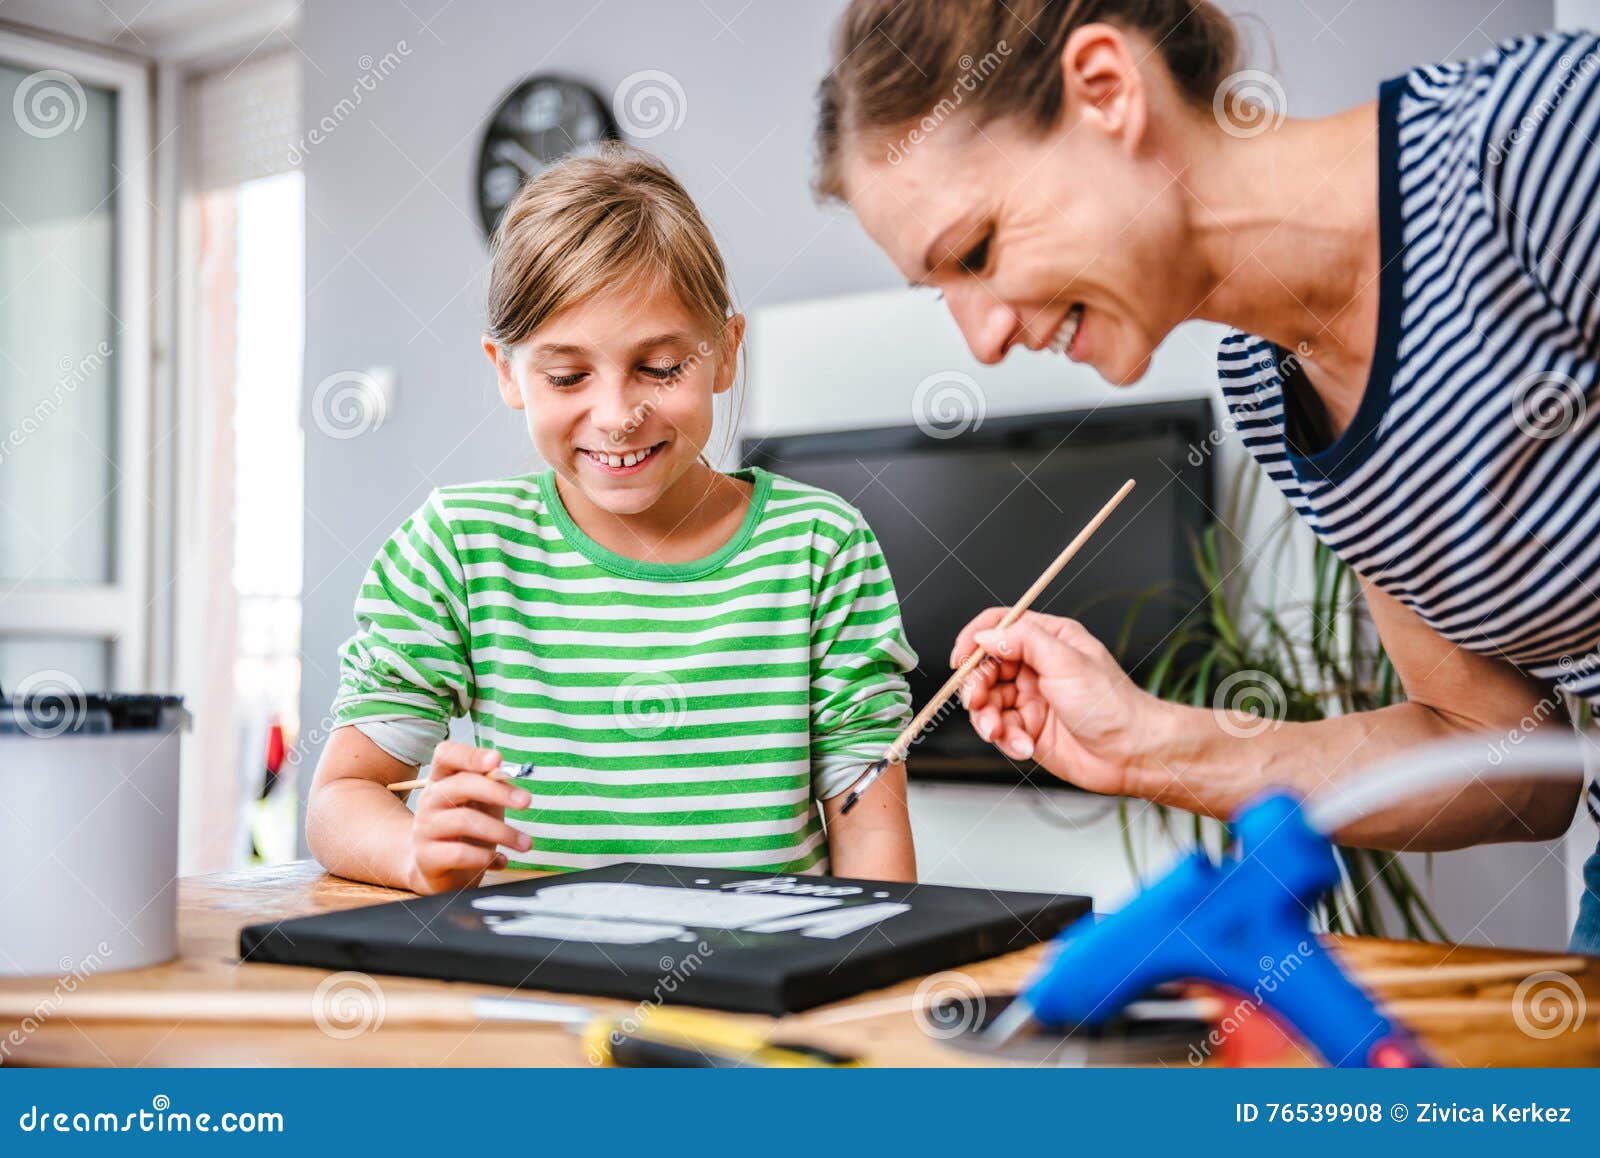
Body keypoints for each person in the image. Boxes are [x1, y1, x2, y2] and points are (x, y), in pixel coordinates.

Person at [814, 0, 1600, 949]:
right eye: (943, 292)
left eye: (976, 253)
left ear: (1107, 90)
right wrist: (1143, 740)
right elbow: (1511, 764)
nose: (983, 339)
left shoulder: (1533, 147)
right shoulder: (1268, 383)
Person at [307, 145, 918, 893]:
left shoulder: (822, 549)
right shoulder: (461, 550)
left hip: (762, 1003)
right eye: (567, 376)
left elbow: (874, 839)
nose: (618, 416)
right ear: (507, 372)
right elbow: (341, 798)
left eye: (661, 368)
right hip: (536, 993)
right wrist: (414, 852)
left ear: (724, 352)